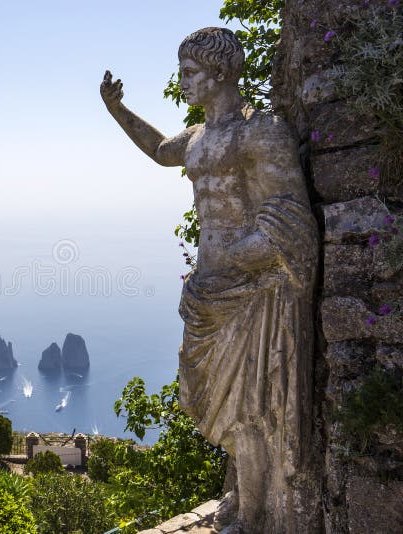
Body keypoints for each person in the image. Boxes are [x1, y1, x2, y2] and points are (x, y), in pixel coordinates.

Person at [101, 27, 318, 533]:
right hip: (210, 294)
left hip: (253, 291)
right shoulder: (199, 139)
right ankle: (243, 495)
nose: (183, 83)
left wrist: (240, 256)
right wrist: (118, 112)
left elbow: (289, 216)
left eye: (190, 73)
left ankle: (254, 513)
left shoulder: (259, 132)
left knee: (250, 406)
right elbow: (159, 149)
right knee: (223, 406)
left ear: (220, 73)